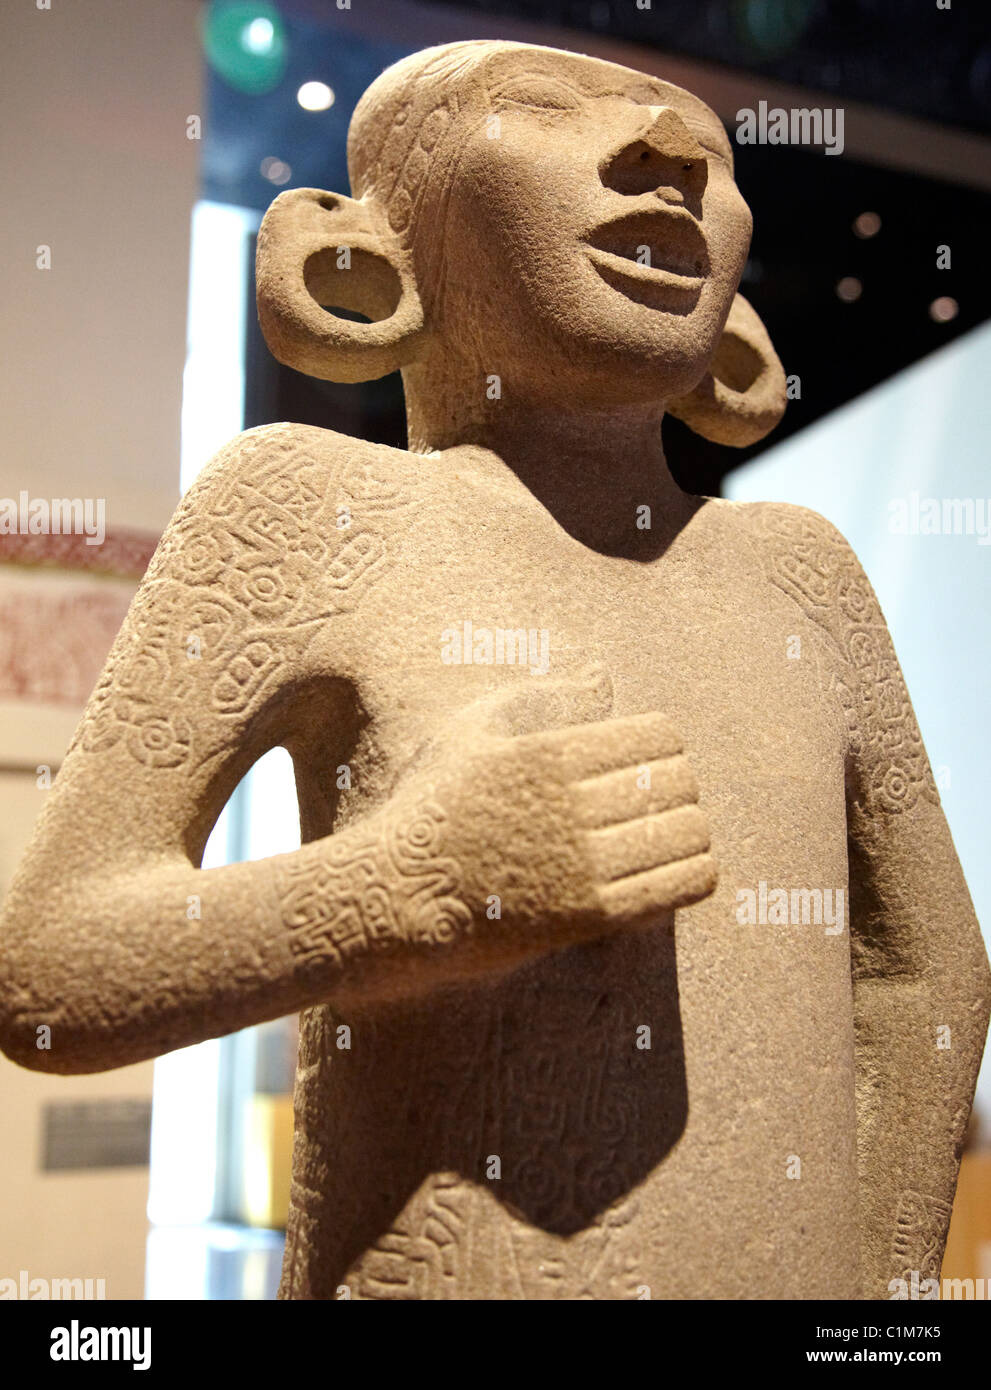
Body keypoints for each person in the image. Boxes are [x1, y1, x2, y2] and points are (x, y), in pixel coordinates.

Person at [1, 41, 987, 1300]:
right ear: (365, 256)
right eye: (536, 108)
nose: (672, 155)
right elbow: (47, 969)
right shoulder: (306, 509)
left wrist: (883, 1289)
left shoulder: (801, 570)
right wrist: (414, 885)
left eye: (713, 151)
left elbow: (927, 970)